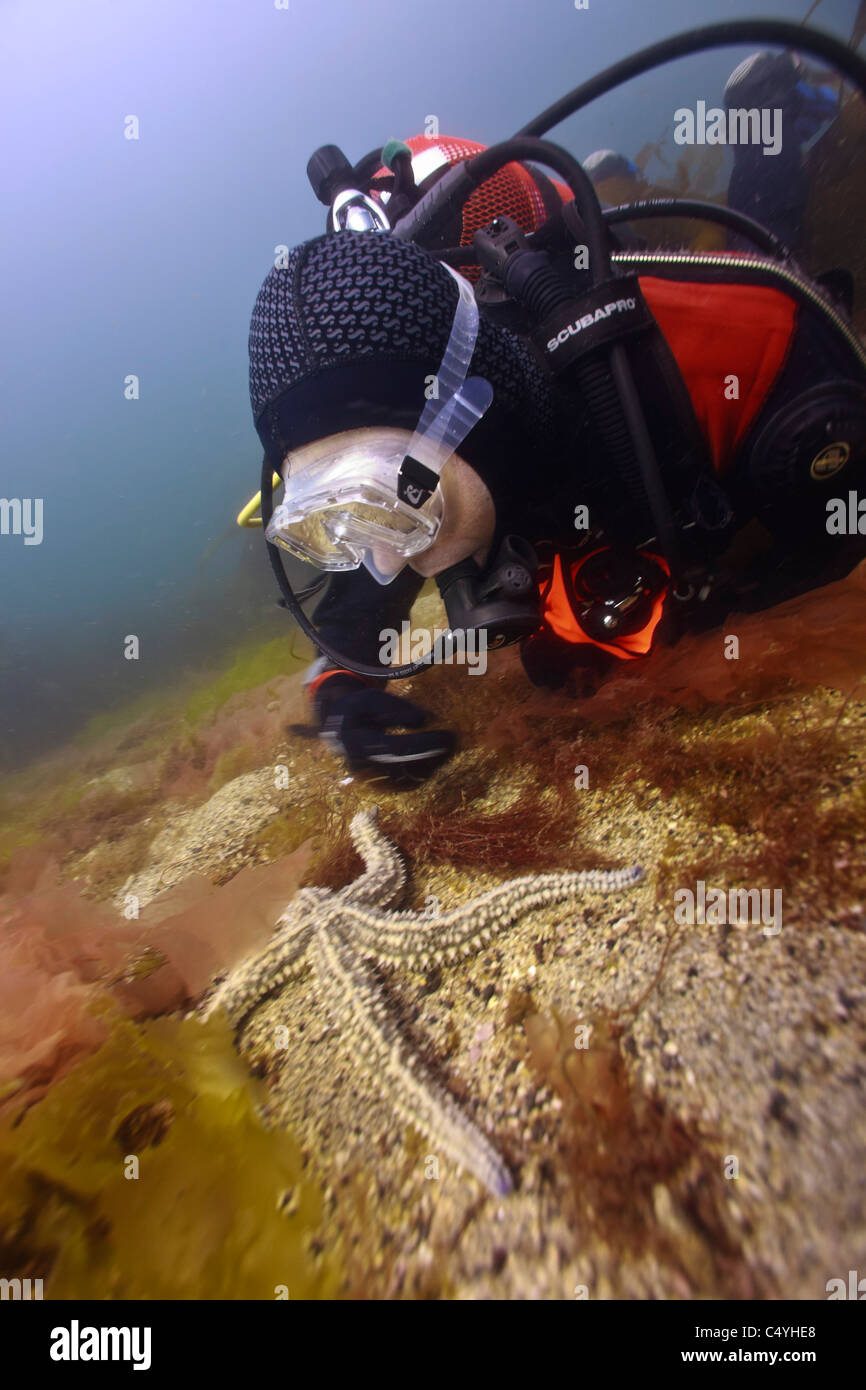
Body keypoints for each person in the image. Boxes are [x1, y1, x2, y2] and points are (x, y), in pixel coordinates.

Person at [246, 97, 866, 782]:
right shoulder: (422, 476)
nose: (385, 555)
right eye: (339, 517)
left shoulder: (721, 346)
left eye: (391, 498)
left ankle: (761, 115)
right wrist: (339, 690)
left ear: (469, 407)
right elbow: (372, 565)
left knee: (776, 239)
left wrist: (736, 596)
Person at [724, 49, 839, 254]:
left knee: (746, 255)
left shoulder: (743, 120)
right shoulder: (786, 88)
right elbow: (828, 104)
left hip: (743, 202)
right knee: (775, 254)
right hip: (781, 196)